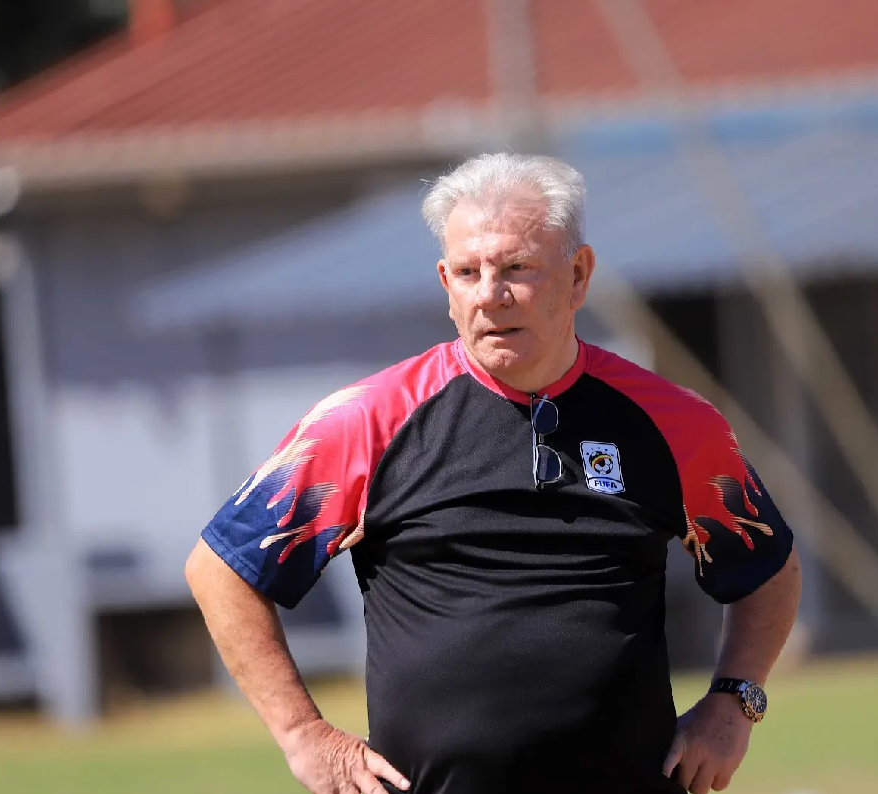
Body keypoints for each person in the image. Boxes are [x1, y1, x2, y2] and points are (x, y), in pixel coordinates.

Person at [185, 153, 802, 794]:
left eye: (515, 268)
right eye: (467, 272)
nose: (489, 294)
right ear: (445, 282)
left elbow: (769, 569)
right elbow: (222, 569)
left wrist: (736, 702)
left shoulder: (675, 422)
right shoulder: (367, 421)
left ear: (579, 275)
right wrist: (301, 733)